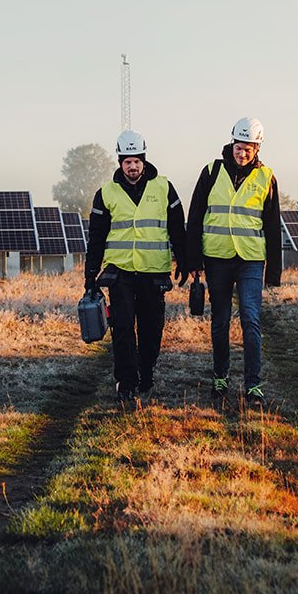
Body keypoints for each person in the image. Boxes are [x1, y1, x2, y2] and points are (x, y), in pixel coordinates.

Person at [84, 129, 188, 405]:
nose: (132, 166)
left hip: (154, 274)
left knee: (152, 329)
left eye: (137, 161)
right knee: (123, 328)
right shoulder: (105, 194)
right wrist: (90, 275)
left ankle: (146, 371)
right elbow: (96, 239)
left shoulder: (164, 188)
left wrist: (185, 261)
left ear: (144, 160)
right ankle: (126, 382)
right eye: (127, 161)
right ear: (120, 162)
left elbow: (178, 229)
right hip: (120, 274)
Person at [187, 117, 281, 406]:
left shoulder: (267, 178)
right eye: (240, 147)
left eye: (249, 149)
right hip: (217, 258)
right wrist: (193, 259)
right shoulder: (211, 172)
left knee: (251, 320)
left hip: (251, 260)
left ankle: (253, 385)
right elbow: (196, 215)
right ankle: (220, 378)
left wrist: (273, 272)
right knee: (221, 321)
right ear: (232, 144)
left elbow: (273, 225)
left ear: (257, 148)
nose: (243, 153)